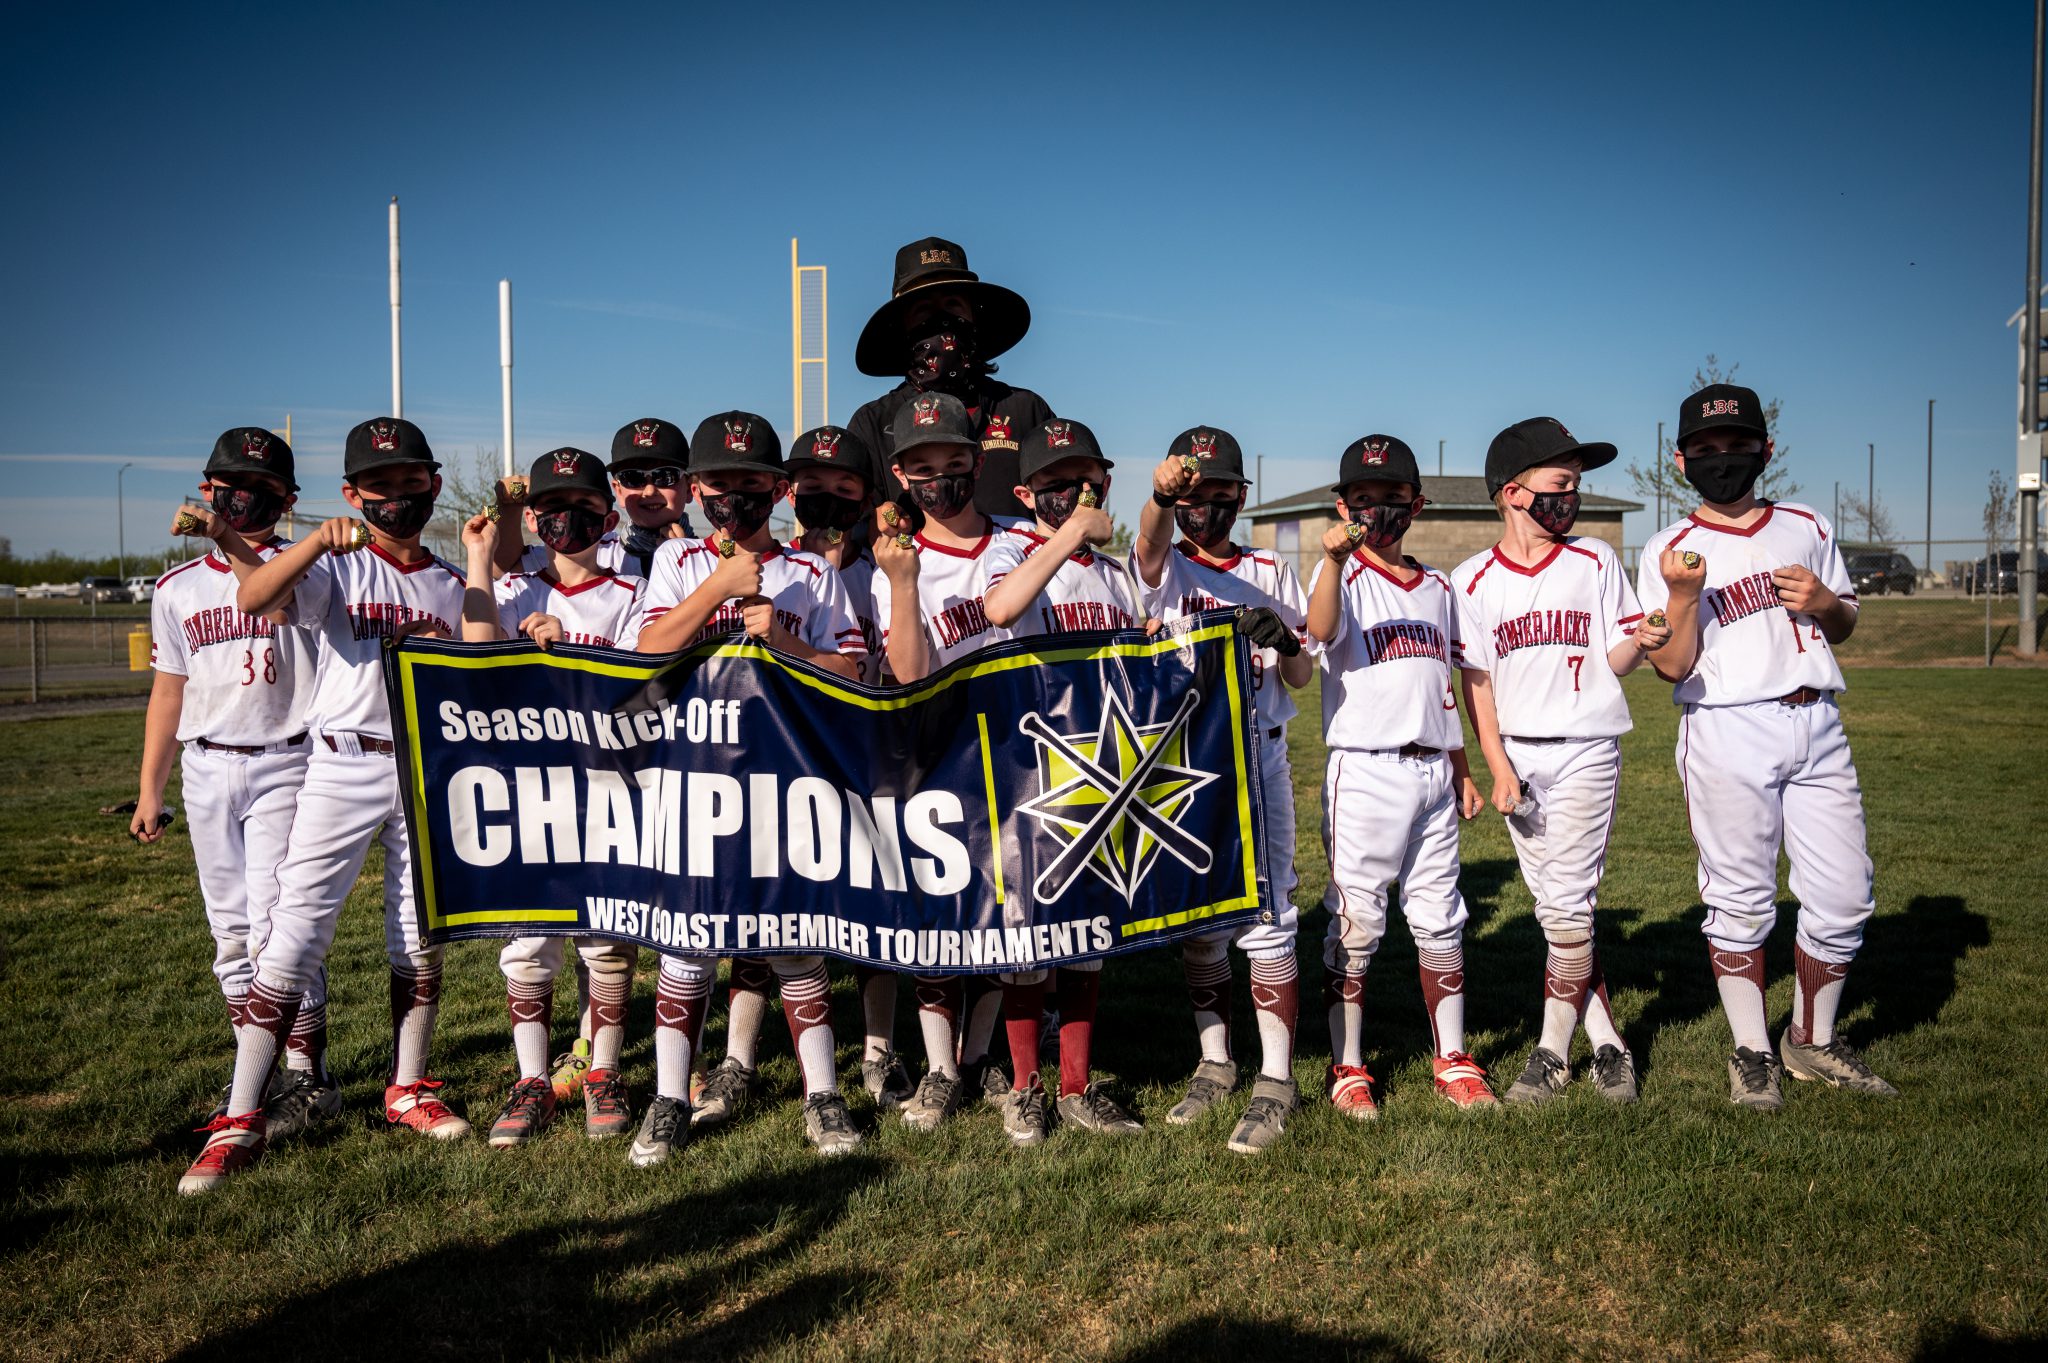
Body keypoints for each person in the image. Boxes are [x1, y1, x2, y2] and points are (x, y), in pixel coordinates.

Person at [178, 417, 471, 1194]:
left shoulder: (445, 580)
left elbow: (479, 653)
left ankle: (408, 1084)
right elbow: (254, 592)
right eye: (379, 486)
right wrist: (312, 544)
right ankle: (241, 1114)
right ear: (351, 494)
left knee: (417, 937)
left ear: (433, 484)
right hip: (342, 763)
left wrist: (481, 556)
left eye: (412, 483)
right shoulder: (339, 568)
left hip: (424, 769)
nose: (398, 497)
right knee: (291, 938)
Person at [1637, 382, 1896, 1110]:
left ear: (1766, 449)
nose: (1724, 459)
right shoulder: (1669, 547)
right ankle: (1753, 1051)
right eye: (1707, 449)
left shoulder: (1808, 523)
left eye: (1738, 445)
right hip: (1726, 725)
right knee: (1741, 900)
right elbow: (1671, 666)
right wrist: (1682, 599)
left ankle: (1810, 1039)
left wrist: (1824, 603)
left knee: (1846, 895)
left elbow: (1842, 622)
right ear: (1682, 458)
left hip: (1816, 720)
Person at [627, 410, 866, 1163]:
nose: (737, 499)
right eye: (722, 486)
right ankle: (668, 1099)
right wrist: (721, 588)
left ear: (779, 488)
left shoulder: (813, 572)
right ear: (696, 490)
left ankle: (821, 1095)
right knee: (686, 942)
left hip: (785, 770)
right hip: (693, 773)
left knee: (796, 939)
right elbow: (646, 651)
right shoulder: (676, 563)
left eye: (753, 484)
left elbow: (853, 672)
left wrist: (785, 640)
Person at [1451, 418, 1669, 1107]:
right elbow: (1477, 685)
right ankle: (1609, 1044)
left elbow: (1612, 662)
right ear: (1513, 492)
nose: (1572, 496)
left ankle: (1549, 1054)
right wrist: (1497, 766)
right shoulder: (1472, 580)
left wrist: (1645, 640)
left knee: (1568, 908)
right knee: (1558, 913)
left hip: (1585, 749)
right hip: (1520, 757)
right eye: (1560, 484)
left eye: (1575, 484)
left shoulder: (1596, 561)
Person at [137, 428, 332, 1142]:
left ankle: (308, 1072)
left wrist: (225, 535)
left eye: (258, 486)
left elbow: (275, 603)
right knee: (231, 934)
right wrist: (150, 787)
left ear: (286, 500)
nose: (241, 495)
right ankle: (262, 1069)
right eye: (228, 483)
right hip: (206, 764)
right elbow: (168, 692)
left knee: (281, 929)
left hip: (287, 758)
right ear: (207, 483)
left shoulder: (305, 568)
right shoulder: (175, 588)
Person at [459, 447, 648, 1146]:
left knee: (606, 937)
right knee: (529, 938)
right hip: (528, 785)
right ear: (534, 518)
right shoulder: (512, 592)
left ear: (606, 512)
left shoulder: (634, 592)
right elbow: (477, 664)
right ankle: (533, 1077)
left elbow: (633, 692)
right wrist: (480, 559)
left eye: (583, 505)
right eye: (553, 507)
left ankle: (602, 1069)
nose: (569, 519)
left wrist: (566, 648)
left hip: (604, 782)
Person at [1130, 425, 1311, 1153]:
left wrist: (1287, 639)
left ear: (1241, 496)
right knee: (1199, 917)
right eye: (1193, 496)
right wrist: (1157, 497)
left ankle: (1277, 1079)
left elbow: (1300, 676)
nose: (1206, 508)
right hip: (1184, 762)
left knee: (1268, 912)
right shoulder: (1164, 563)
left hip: (1256, 754)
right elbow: (1145, 544)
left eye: (1221, 495)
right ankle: (1215, 1061)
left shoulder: (1271, 566)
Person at [1305, 434, 1492, 1121]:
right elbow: (1319, 631)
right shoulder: (1343, 575)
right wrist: (1332, 557)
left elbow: (1444, 684)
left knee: (1443, 918)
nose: (1377, 512)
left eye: (1391, 499)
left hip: (1433, 771)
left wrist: (1463, 766)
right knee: (1356, 924)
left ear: (1417, 503)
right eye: (1363, 500)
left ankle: (1453, 1056)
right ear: (1341, 505)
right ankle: (1348, 1065)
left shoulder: (1439, 586)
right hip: (1367, 769)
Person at [980, 416, 1151, 1142]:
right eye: (1054, 484)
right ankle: (1023, 1086)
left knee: (1087, 934)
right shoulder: (1010, 547)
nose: (1074, 493)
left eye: (1086, 480)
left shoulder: (1116, 572)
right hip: (1031, 768)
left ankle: (1077, 1084)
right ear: (1026, 492)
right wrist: (1065, 534)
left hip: (1103, 764)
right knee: (1026, 940)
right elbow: (1001, 607)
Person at [868, 392, 1017, 1130]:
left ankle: (983, 1053)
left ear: (976, 462)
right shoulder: (896, 560)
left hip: (1016, 755)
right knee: (935, 917)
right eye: (922, 467)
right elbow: (911, 673)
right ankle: (937, 1068)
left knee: (1005, 916)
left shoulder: (1015, 544)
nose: (940, 478)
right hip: (934, 756)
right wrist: (901, 583)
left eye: (955, 462)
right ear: (900, 474)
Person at [779, 423, 916, 1111]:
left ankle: (878, 1048)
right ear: (790, 491)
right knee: (775, 912)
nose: (827, 499)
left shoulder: (883, 565)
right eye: (813, 487)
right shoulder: (771, 564)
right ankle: (746, 1056)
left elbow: (873, 663)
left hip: (866, 747)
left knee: (873, 904)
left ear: (867, 497)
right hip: (784, 755)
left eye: (844, 487)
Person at [846, 236, 1052, 520]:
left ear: (974, 319)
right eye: (924, 310)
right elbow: (860, 528)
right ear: (903, 328)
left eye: (953, 304)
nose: (942, 320)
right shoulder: (874, 423)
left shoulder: (1025, 410)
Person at [494, 417, 696, 581]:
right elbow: (500, 567)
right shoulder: (589, 547)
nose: (650, 490)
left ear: (689, 488)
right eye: (633, 478)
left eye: (665, 476)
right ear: (618, 490)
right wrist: (506, 505)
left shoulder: (712, 557)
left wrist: (686, 561)